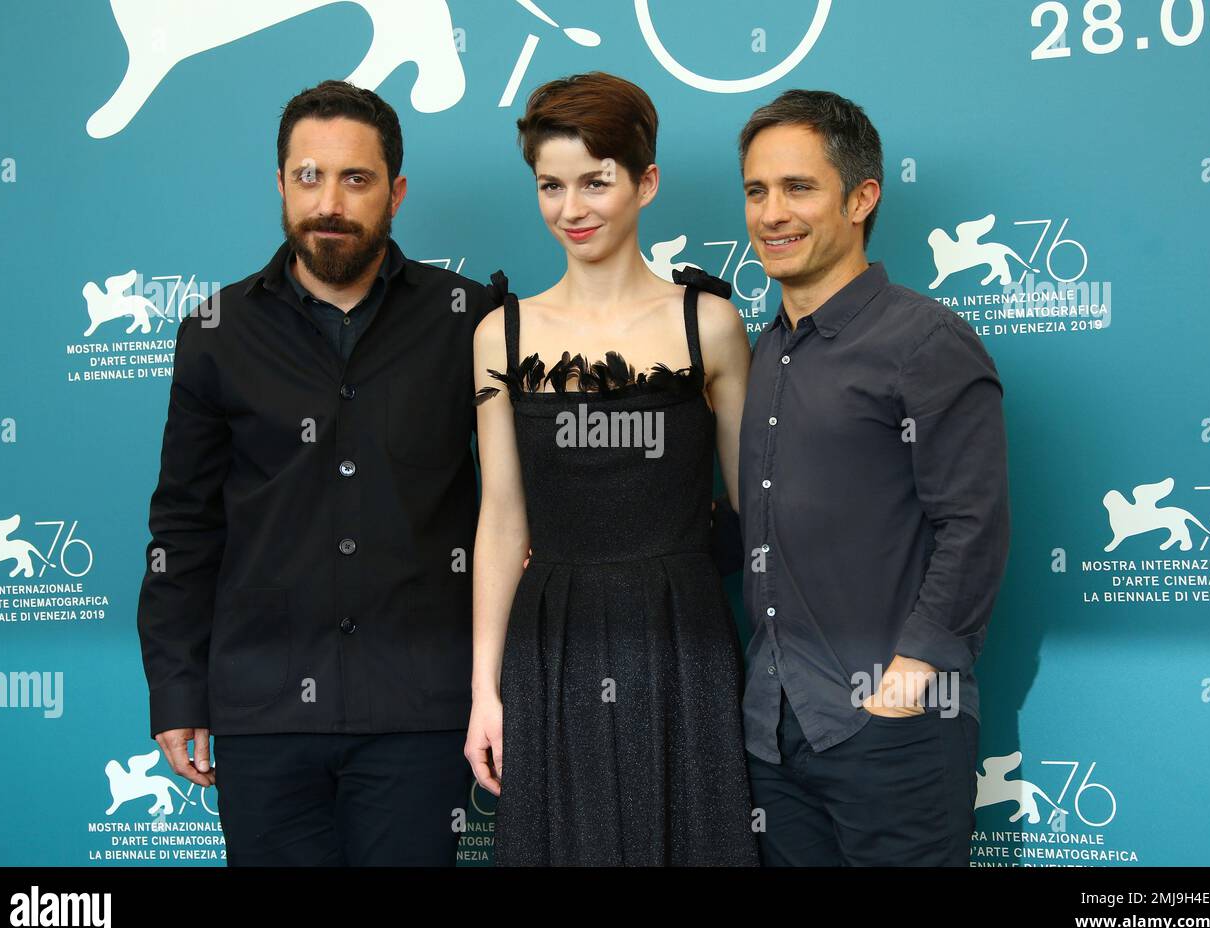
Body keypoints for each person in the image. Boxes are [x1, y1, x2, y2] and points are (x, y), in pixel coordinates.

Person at [136, 80, 496, 865]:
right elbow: (183, 528)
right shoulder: (215, 332)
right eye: (309, 176)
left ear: (395, 192)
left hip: (421, 706)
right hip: (262, 710)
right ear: (280, 185)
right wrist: (176, 691)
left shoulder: (470, 319)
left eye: (355, 179)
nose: (329, 201)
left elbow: (514, 507)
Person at [465, 71, 759, 866]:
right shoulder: (502, 334)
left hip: (683, 633)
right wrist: (483, 692)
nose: (572, 209)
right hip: (550, 638)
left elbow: (755, 512)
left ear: (645, 182)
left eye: (595, 182)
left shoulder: (712, 326)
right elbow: (501, 521)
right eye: (550, 185)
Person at [735, 90, 1011, 866]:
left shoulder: (925, 342)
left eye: (798, 188)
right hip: (774, 732)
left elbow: (974, 523)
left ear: (862, 198)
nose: (771, 213)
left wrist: (910, 678)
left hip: (892, 731)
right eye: (757, 191)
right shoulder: (762, 354)